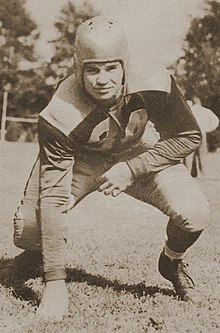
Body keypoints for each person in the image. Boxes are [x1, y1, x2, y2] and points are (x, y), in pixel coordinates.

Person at [13, 16, 210, 321]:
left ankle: (172, 261)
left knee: (196, 213)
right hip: (79, 161)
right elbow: (52, 196)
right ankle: (42, 256)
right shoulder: (60, 111)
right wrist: (55, 282)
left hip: (139, 153)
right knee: (28, 229)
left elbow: (189, 136)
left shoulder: (153, 82)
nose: (101, 79)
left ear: (124, 65)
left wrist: (131, 168)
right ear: (78, 68)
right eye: (92, 69)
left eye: (110, 67)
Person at [185, 98, 219, 177]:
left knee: (189, 156)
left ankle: (188, 174)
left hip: (192, 134)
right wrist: (207, 129)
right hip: (203, 134)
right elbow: (216, 121)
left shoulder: (190, 111)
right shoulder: (206, 111)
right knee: (202, 156)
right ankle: (204, 174)